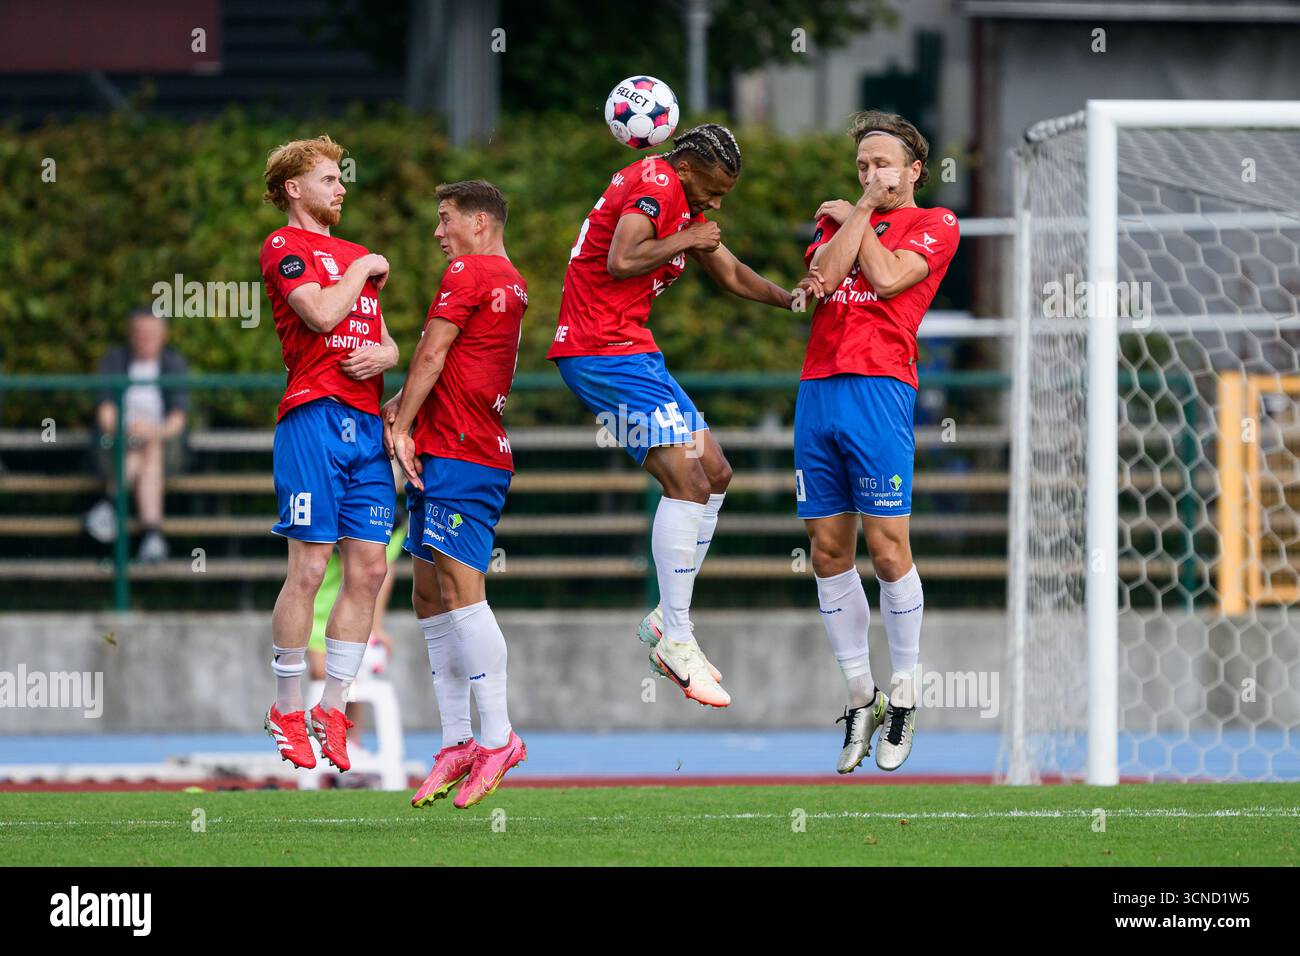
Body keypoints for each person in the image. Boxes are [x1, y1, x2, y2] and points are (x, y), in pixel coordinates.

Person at [547, 124, 794, 709]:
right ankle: (676, 638)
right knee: (685, 480)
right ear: (686, 169)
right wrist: (689, 239)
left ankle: (666, 618)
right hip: (599, 354)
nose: (716, 202)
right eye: (713, 189)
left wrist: (791, 298)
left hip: (632, 351)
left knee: (716, 471)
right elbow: (622, 257)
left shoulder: (680, 198)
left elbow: (730, 272)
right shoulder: (657, 183)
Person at [792, 110, 960, 773]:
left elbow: (889, 279)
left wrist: (855, 211)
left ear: (915, 170)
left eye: (884, 165)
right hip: (819, 389)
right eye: (862, 166)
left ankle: (908, 691)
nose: (872, 175)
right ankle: (863, 694)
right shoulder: (840, 220)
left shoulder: (937, 223)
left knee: (889, 551)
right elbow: (825, 280)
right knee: (827, 548)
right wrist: (856, 213)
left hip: (880, 389)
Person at [258, 135, 400, 775]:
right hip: (313, 417)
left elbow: (384, 337)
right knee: (310, 569)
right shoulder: (285, 247)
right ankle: (288, 707)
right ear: (294, 188)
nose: (341, 188)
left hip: (367, 424)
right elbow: (317, 314)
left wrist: (389, 356)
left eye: (341, 179)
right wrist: (364, 267)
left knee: (369, 570)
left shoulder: (353, 258)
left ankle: (333, 709)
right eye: (327, 179)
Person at [386, 179, 529, 810]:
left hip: (464, 452)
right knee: (427, 593)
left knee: (462, 589)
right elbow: (441, 359)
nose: (438, 232)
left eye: (445, 219)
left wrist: (398, 425)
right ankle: (457, 740)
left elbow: (432, 353)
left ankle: (498, 737)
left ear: (479, 221)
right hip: (450, 446)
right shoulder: (504, 276)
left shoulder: (471, 271)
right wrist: (409, 412)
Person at [87, 308, 189, 562]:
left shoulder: (173, 364)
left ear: (163, 334)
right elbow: (106, 413)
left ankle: (110, 505)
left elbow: (177, 420)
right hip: (117, 444)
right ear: (131, 334)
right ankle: (153, 535)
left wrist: (152, 432)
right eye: (140, 333)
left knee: (151, 446)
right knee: (141, 449)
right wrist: (127, 432)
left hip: (162, 448)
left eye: (151, 333)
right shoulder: (114, 361)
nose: (145, 339)